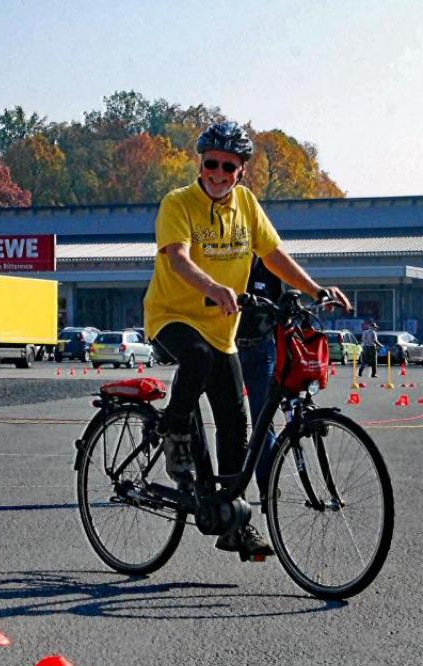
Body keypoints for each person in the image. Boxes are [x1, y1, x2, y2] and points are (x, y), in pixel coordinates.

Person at [144, 121, 351, 559]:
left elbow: (273, 254)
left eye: (228, 167)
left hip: (225, 330)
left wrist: (316, 291)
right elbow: (178, 258)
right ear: (200, 164)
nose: (217, 174)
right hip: (172, 316)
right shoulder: (177, 203)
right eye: (210, 164)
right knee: (196, 357)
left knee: (237, 425)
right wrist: (212, 288)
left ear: (241, 171)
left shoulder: (246, 205)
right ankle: (174, 433)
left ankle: (232, 520)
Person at [235, 256, 282, 501]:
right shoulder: (229, 262)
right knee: (231, 421)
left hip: (263, 350)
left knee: (263, 422)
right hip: (230, 348)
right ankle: (232, 488)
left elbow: (280, 310)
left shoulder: (269, 268)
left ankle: (267, 488)